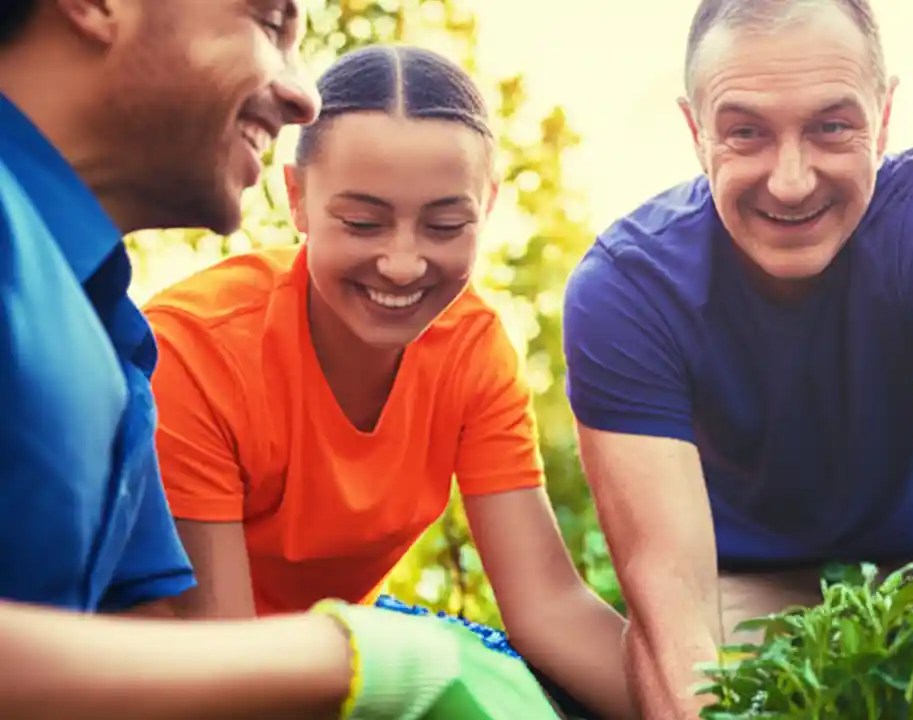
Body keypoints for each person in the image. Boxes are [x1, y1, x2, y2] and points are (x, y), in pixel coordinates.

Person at [561, 0, 913, 718]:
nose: (792, 181)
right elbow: (668, 594)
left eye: (831, 126)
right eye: (746, 132)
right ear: (697, 132)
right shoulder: (626, 287)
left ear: (882, 119)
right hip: (742, 574)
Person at [0, 1, 559, 717]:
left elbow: (154, 637)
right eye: (268, 21)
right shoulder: (187, 342)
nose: (302, 96)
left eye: (446, 223)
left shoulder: (113, 338)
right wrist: (351, 660)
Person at [141, 43, 633, 720]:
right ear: (297, 199)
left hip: (333, 670)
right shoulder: (198, 352)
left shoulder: (471, 348)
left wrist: (723, 708)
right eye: (363, 223)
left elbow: (549, 607)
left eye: (445, 225)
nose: (403, 263)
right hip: (175, 679)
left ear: (487, 206)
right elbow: (222, 658)